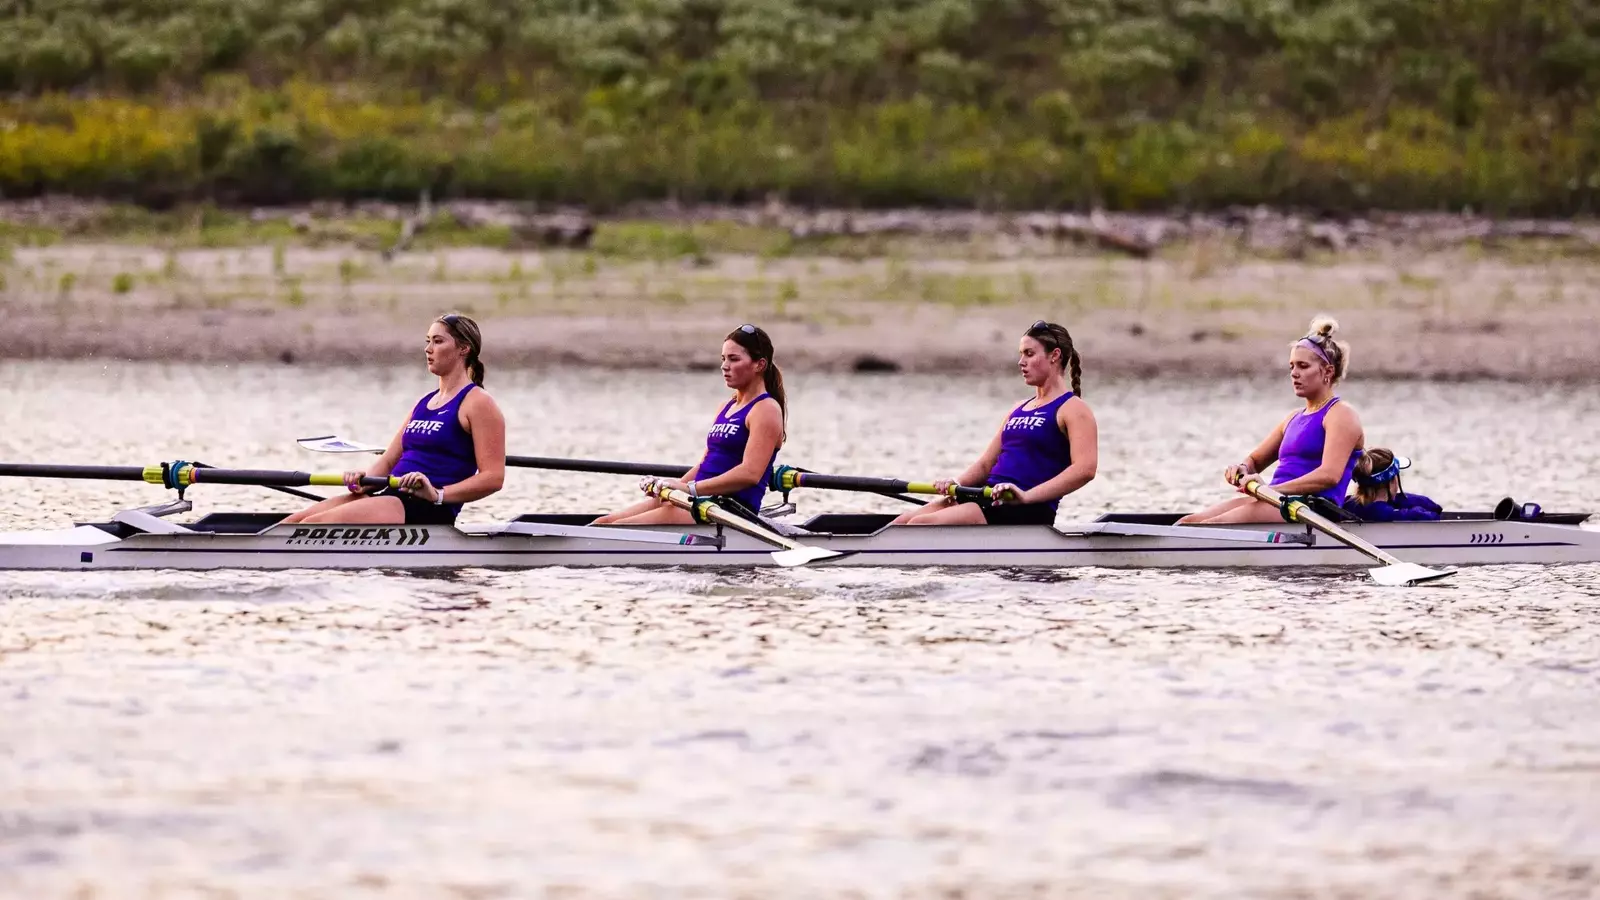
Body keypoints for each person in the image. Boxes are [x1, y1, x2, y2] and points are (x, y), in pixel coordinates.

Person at [282, 313, 506, 525]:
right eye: (428, 341)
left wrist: (437, 494)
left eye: (438, 342)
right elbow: (388, 462)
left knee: (310, 526)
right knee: (290, 524)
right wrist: (363, 481)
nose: (428, 349)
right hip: (390, 497)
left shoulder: (478, 403)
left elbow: (493, 477)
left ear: (464, 349)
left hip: (426, 507)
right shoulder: (425, 402)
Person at [891, 320, 1098, 526]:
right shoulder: (1018, 408)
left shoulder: (1074, 409)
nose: (1021, 362)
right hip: (988, 498)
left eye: (1029, 354)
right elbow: (985, 465)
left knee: (920, 525)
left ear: (1054, 355)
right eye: (1021, 354)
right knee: (902, 523)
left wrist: (1026, 496)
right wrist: (956, 482)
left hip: (1025, 509)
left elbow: (1085, 469)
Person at [593, 324, 786, 526]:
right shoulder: (726, 407)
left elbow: (750, 474)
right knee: (603, 521)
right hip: (699, 500)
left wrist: (689, 489)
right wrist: (672, 486)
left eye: (734, 359)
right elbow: (705, 465)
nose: (724, 366)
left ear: (759, 365)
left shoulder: (766, 409)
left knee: (617, 527)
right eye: (723, 359)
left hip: (728, 509)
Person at [1179, 315, 1363, 525]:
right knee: (1188, 522)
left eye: (1303, 366)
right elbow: (1255, 461)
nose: (1294, 373)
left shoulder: (1341, 414)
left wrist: (1270, 489)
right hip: (1279, 501)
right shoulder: (1293, 418)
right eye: (1292, 366)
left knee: (1210, 526)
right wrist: (1242, 468)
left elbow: (1329, 476)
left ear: (1328, 371)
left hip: (1314, 509)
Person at [1341, 448, 1442, 521]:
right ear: (1392, 481)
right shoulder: (1383, 513)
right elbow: (1432, 513)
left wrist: (1402, 499)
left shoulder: (1348, 505)